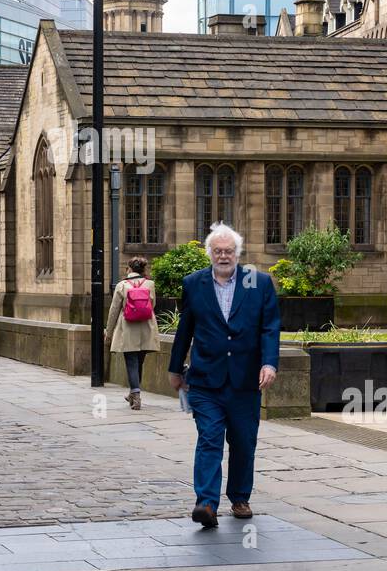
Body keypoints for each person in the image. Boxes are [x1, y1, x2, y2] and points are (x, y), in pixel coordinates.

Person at [168, 223, 280, 529]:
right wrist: (175, 369)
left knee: (243, 442)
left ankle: (240, 497)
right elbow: (185, 329)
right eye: (217, 251)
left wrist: (269, 364)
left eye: (228, 251)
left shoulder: (258, 283)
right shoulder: (194, 284)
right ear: (209, 253)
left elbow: (270, 327)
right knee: (209, 438)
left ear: (237, 253)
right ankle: (206, 502)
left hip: (245, 381)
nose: (223, 256)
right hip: (206, 380)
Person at [105, 256, 159, 410]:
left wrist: (109, 332)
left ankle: (135, 395)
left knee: (131, 362)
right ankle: (133, 392)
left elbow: (114, 310)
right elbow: (152, 305)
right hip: (146, 328)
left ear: (128, 269)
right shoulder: (150, 284)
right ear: (143, 269)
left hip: (128, 328)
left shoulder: (122, 285)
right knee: (139, 362)